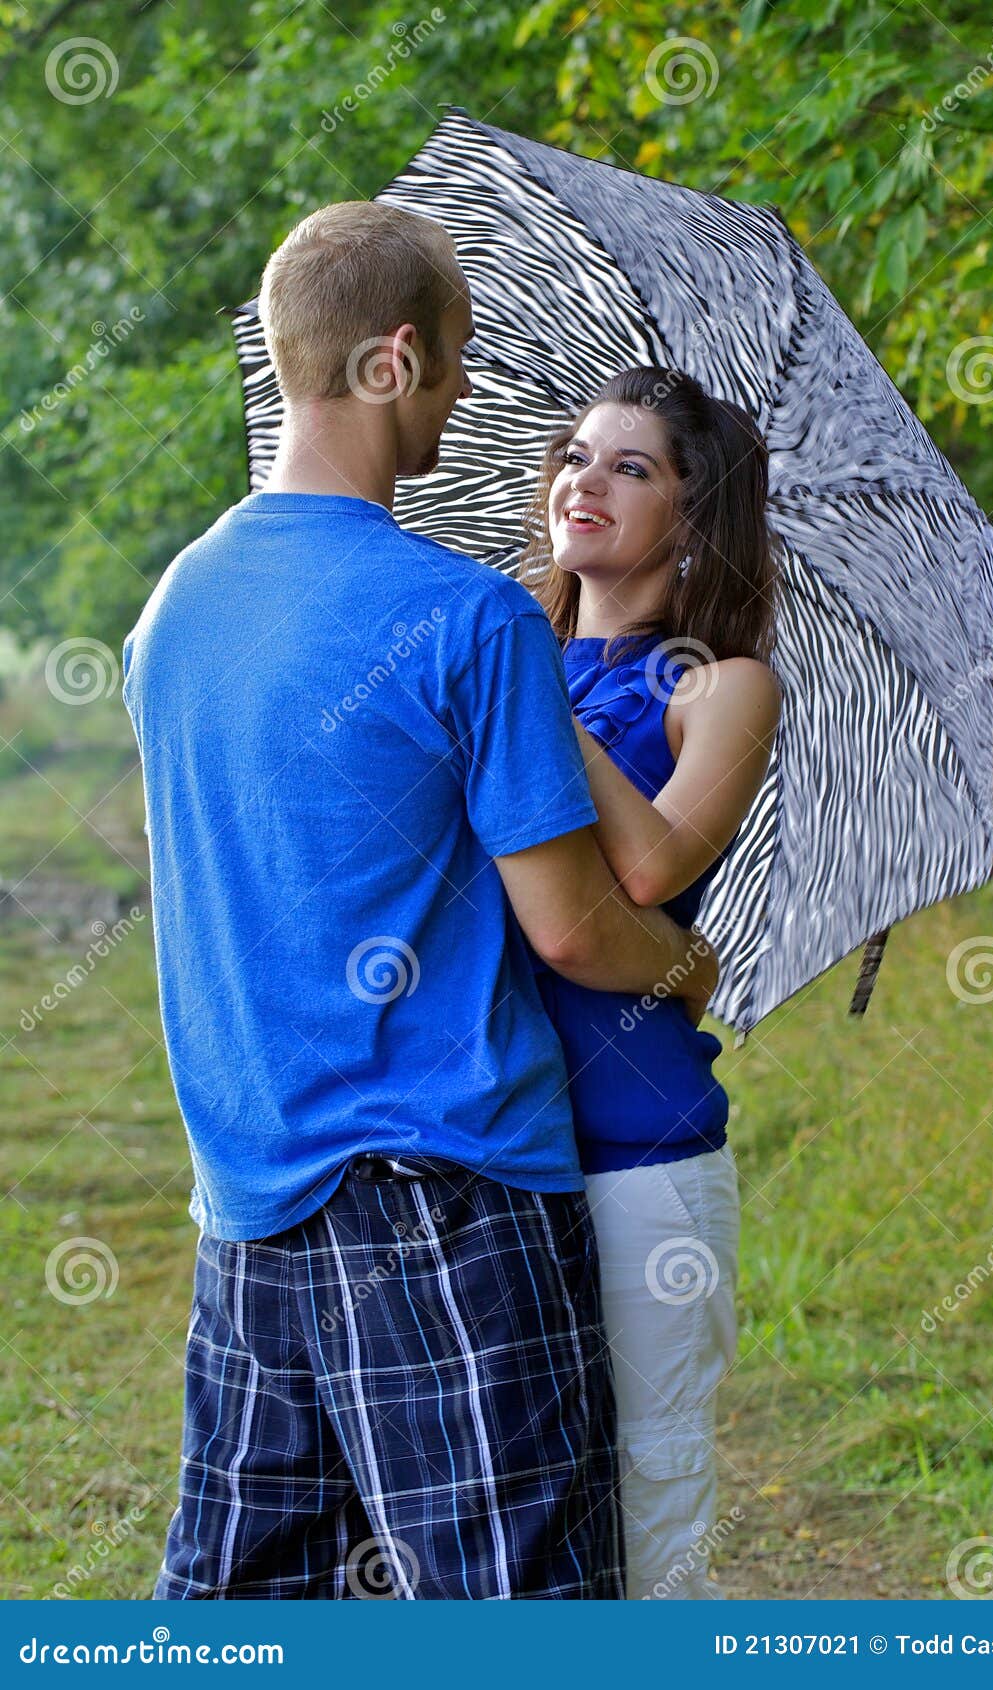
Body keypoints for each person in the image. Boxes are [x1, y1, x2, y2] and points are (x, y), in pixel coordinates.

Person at [122, 202, 720, 1599]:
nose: (459, 402)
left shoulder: (173, 610)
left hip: (248, 1198)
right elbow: (574, 923)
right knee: (513, 1612)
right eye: (451, 366)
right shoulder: (470, 619)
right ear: (392, 364)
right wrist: (685, 968)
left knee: (246, 1607)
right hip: (444, 1200)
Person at [518, 366, 782, 1599]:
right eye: (576, 454)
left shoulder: (719, 689)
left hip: (639, 1154)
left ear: (694, 515)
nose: (587, 479)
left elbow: (654, 862)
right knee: (512, 1501)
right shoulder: (499, 658)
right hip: (483, 1145)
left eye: (633, 468)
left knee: (648, 1497)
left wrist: (533, 698)